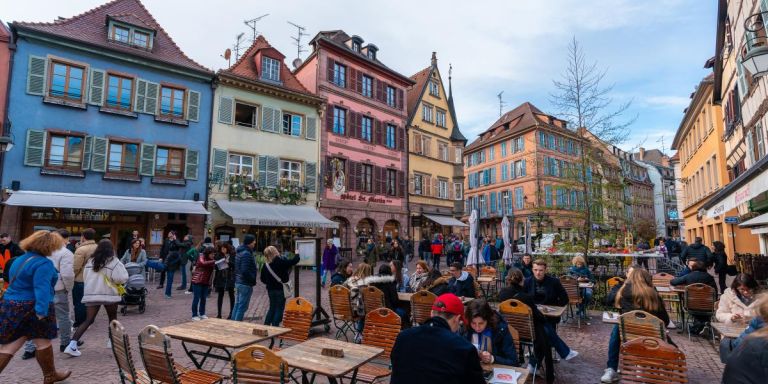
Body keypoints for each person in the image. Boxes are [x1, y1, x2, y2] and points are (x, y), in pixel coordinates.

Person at [0, 230, 71, 383]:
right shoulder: (44, 263)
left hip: (12, 304)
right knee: (34, 342)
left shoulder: (19, 259)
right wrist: (41, 312)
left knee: (34, 342)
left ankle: (51, 375)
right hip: (32, 307)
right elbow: (42, 289)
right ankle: (50, 375)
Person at [390, 293, 485, 384]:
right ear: (457, 319)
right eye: (460, 321)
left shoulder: (403, 337)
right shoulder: (463, 348)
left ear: (432, 313)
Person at [601, 265, 670, 383]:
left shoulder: (622, 291)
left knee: (618, 328)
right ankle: (649, 369)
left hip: (629, 334)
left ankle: (611, 369)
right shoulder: (653, 294)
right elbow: (665, 321)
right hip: (651, 335)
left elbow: (609, 301)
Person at [65, 239, 128, 357]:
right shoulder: (114, 261)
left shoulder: (90, 261)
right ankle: (112, 341)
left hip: (92, 294)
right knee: (112, 319)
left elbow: (85, 276)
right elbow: (121, 278)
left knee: (88, 320)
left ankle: (72, 344)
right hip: (109, 294)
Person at [21, 229, 75, 360]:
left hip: (38, 288)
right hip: (58, 288)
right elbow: (67, 274)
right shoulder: (66, 253)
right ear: (65, 239)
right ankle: (64, 343)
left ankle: (29, 349)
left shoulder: (38, 252)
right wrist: (68, 288)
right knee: (62, 317)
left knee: (36, 317)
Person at [498, 268, 551, 378]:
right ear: (522, 280)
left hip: (510, 331)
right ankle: (533, 365)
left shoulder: (502, 293)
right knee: (545, 333)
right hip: (527, 334)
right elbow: (539, 317)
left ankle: (528, 363)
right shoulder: (526, 297)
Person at [524, 259, 578, 362]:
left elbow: (564, 299)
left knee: (544, 329)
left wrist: (554, 308)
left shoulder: (554, 282)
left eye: (540, 270)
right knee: (545, 331)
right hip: (532, 317)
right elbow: (523, 299)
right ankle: (565, 352)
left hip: (549, 316)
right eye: (535, 270)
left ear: (545, 270)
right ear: (532, 269)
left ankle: (534, 363)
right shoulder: (527, 282)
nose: (538, 273)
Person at [722, 296, 768, 384]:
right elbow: (720, 314)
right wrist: (731, 317)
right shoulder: (728, 295)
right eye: (742, 289)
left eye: (747, 289)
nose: (745, 292)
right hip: (735, 329)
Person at [464, 299, 518, 366]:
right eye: (473, 323)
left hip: (496, 371)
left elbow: (513, 361)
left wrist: (493, 358)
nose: (477, 328)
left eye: (481, 323)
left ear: (488, 320)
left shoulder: (500, 330)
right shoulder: (467, 328)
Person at [261, 245, 300, 326]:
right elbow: (294, 261)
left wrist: (270, 282)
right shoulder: (280, 261)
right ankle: (275, 326)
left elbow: (262, 279)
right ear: (275, 252)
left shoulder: (266, 265)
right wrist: (297, 253)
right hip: (280, 289)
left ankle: (266, 325)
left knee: (272, 308)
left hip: (270, 290)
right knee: (279, 308)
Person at [72, 228, 98, 328]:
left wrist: (71, 277)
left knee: (79, 302)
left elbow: (75, 267)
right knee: (91, 302)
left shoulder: (81, 249)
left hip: (81, 279)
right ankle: (89, 320)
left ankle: (80, 322)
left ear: (83, 237)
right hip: (94, 279)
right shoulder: (98, 247)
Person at [232, 234, 257, 321]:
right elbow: (245, 270)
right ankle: (237, 326)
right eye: (254, 241)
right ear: (249, 242)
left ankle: (232, 324)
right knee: (242, 307)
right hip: (244, 283)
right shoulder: (246, 253)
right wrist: (252, 279)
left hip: (239, 282)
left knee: (238, 304)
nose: (255, 243)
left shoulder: (240, 251)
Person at [190, 247, 215, 321]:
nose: (213, 255)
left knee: (203, 298)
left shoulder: (211, 260)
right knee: (196, 298)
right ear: (208, 253)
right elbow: (202, 263)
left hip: (205, 281)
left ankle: (202, 313)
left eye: (214, 254)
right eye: (212, 254)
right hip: (197, 280)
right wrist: (214, 261)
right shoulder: (201, 256)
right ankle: (194, 315)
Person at [213, 241, 236, 319]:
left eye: (224, 248)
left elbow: (234, 265)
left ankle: (231, 313)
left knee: (231, 295)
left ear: (227, 248)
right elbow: (215, 266)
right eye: (221, 249)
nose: (222, 250)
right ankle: (219, 314)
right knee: (220, 295)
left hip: (230, 277)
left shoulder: (232, 255)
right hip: (221, 277)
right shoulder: (219, 255)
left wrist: (228, 262)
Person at [568, 255, 594, 319]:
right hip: (575, 288)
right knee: (576, 295)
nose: (579, 265)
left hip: (586, 287)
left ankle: (580, 310)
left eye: (581, 264)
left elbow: (593, 280)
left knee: (588, 294)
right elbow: (568, 280)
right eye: (578, 264)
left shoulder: (586, 270)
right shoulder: (571, 270)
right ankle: (581, 311)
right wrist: (577, 280)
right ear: (575, 263)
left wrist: (587, 279)